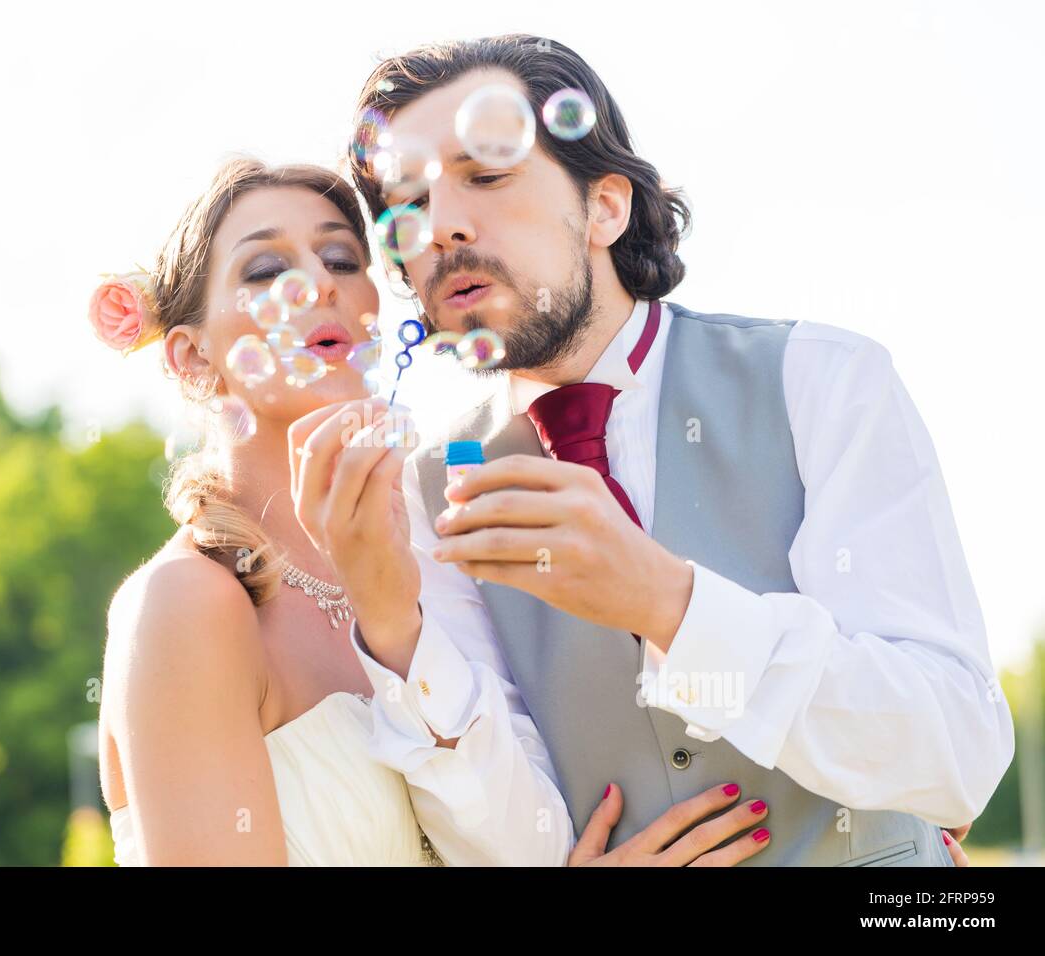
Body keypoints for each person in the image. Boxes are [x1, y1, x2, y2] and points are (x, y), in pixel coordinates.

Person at [288, 34, 1006, 865]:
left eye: (485, 175)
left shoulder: (824, 379)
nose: (440, 226)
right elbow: (507, 837)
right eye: (406, 202)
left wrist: (670, 604)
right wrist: (390, 622)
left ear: (606, 207)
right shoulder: (425, 493)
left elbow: (960, 752)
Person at [92, 157, 810, 865]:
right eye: (266, 272)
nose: (320, 284)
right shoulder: (188, 605)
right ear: (190, 357)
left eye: (343, 258)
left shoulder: (434, 557)